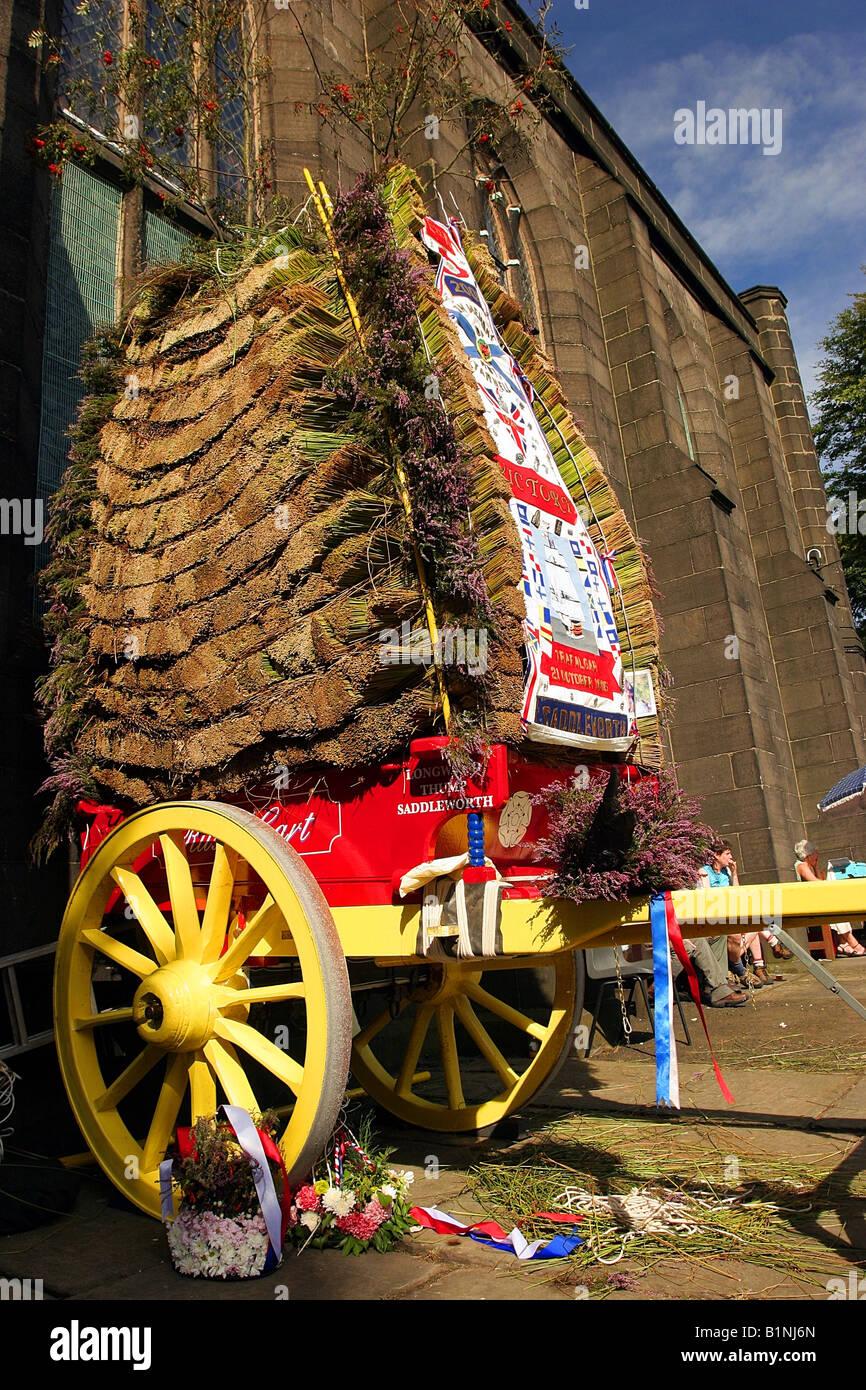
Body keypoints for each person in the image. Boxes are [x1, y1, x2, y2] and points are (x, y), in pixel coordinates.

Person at [697, 839, 774, 987]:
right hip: (714, 917)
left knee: (752, 926)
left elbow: (737, 894)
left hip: (729, 914)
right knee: (743, 931)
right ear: (716, 855)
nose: (731, 857)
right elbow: (705, 899)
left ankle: (736, 964)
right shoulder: (704, 872)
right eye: (727, 854)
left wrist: (734, 873)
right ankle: (743, 967)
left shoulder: (727, 871)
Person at [794, 840, 865, 956]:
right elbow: (817, 883)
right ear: (809, 855)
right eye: (815, 853)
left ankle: (843, 943)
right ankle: (852, 942)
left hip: (816, 900)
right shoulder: (802, 866)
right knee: (835, 907)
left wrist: (816, 867)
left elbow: (822, 877)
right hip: (806, 904)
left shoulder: (809, 866)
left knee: (839, 905)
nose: (818, 855)